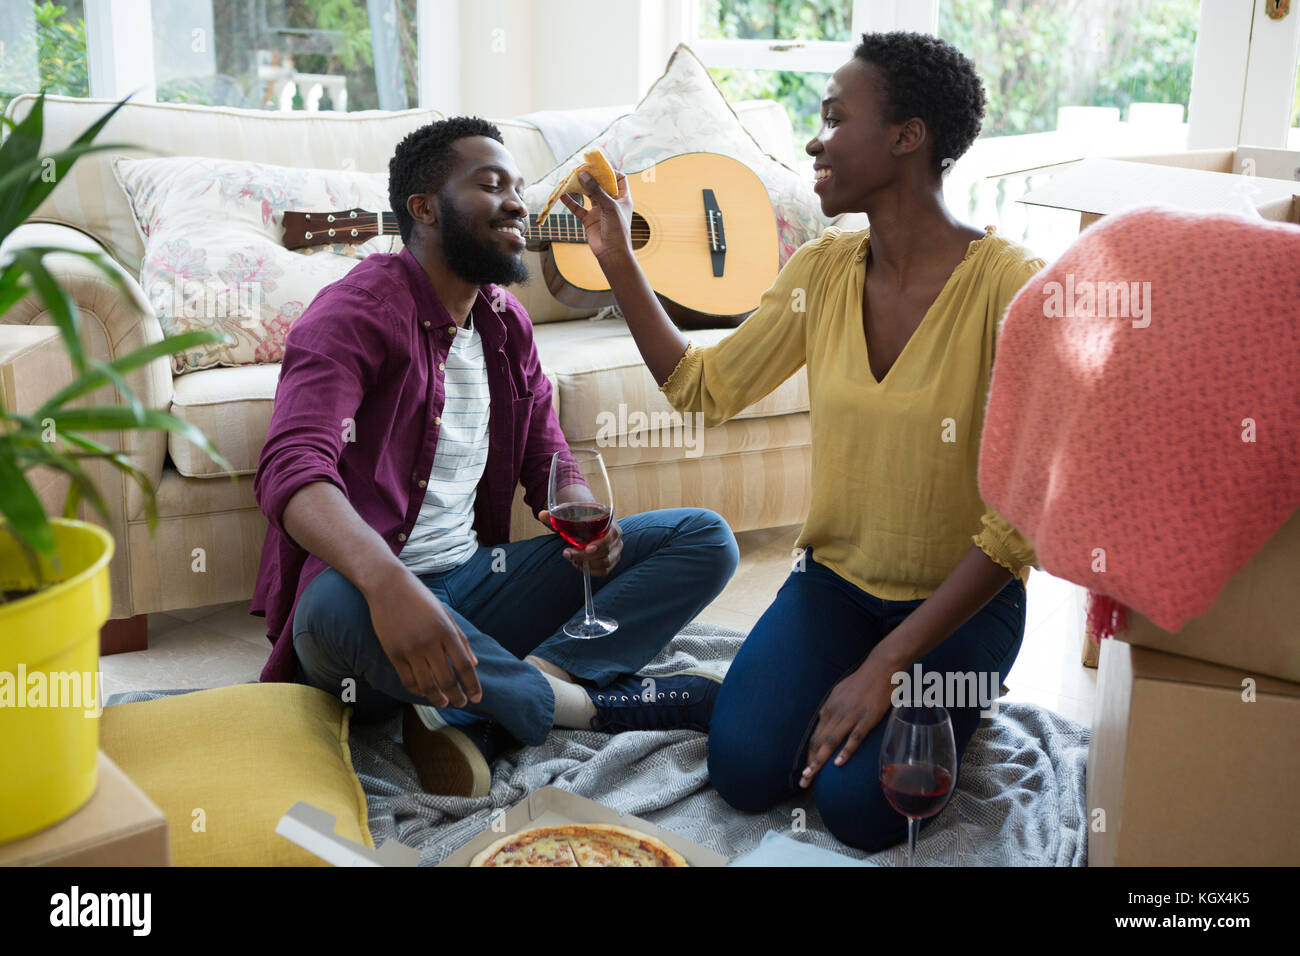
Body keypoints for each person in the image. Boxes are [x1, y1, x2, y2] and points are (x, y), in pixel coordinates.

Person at [559, 32, 1044, 851]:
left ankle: (953, 701)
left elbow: (1019, 524)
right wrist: (617, 260)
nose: (814, 141)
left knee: (861, 809)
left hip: (960, 611)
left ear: (907, 136)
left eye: (832, 118)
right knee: (746, 772)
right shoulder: (821, 271)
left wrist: (886, 668)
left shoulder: (1011, 287)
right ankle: (749, 692)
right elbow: (701, 388)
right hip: (837, 587)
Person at [250, 117, 739, 799]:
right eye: (491, 185)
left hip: (476, 580)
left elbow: (549, 454)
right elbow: (294, 469)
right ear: (423, 210)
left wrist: (577, 509)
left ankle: (486, 699)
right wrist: (390, 584)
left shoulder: (505, 323)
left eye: (518, 186)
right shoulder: (354, 311)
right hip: (368, 602)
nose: (518, 202)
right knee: (330, 608)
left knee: (703, 540)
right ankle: (583, 707)